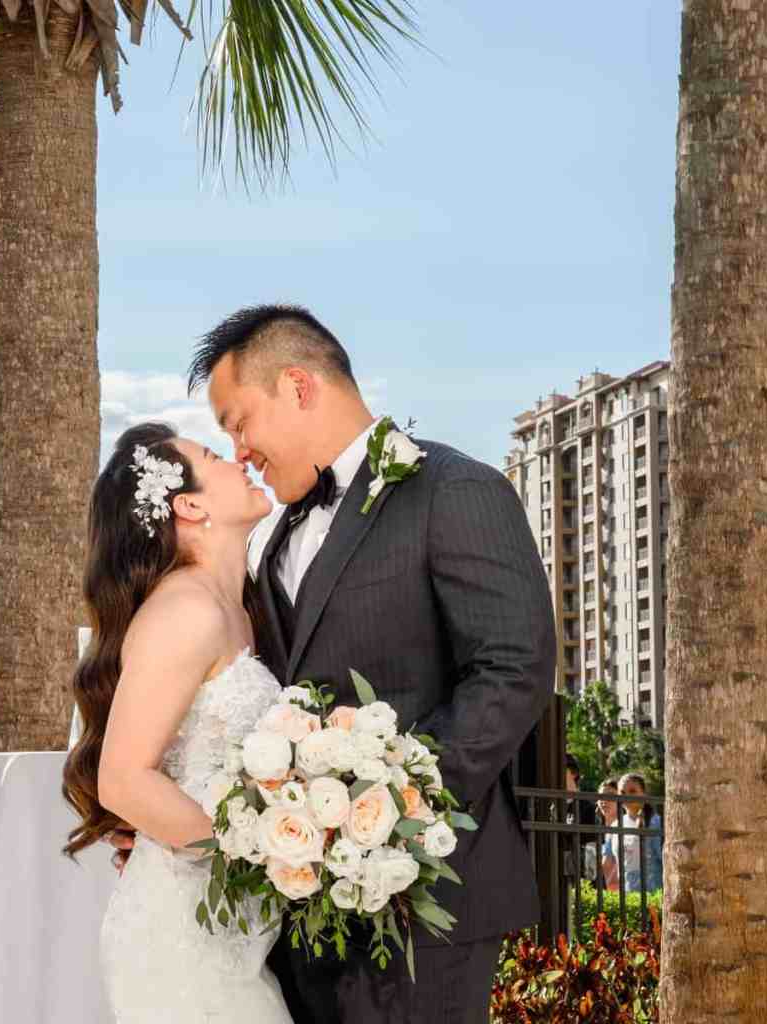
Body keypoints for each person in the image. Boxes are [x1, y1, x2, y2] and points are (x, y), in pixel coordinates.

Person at [191, 304, 557, 1024]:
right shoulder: (271, 535)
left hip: (430, 898)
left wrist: (393, 808)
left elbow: (514, 666)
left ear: (298, 386)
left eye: (239, 423)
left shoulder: (456, 489)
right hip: (300, 907)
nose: (238, 451)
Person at [60, 422, 293, 1024]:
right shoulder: (186, 609)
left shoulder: (240, 608)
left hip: (229, 925)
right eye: (215, 456)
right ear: (188, 506)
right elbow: (123, 781)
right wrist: (261, 860)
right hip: (183, 935)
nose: (240, 460)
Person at [615, 772, 663, 894]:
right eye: (622, 792)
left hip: (654, 892)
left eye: (632, 791)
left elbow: (663, 859)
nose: (626, 796)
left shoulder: (657, 823)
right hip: (627, 894)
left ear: (644, 793)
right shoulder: (616, 825)